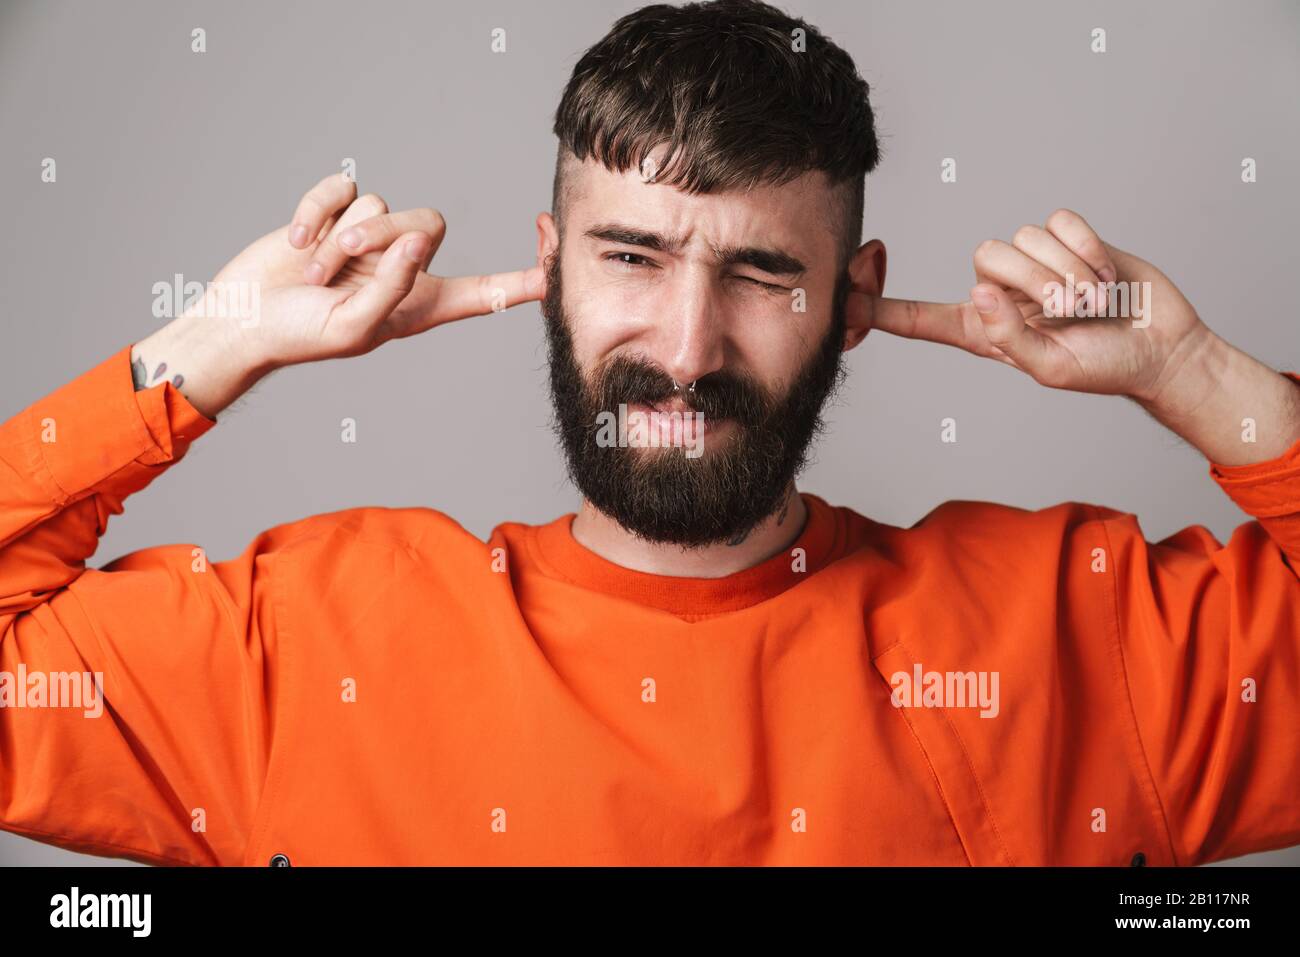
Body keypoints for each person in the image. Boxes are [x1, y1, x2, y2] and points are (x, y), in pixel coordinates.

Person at [2, 0, 1297, 866]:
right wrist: (206, 348)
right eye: (632, 256)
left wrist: (1191, 372)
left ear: (854, 299)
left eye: (762, 273)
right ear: (553, 268)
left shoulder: (1079, 639)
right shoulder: (303, 645)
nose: (688, 347)